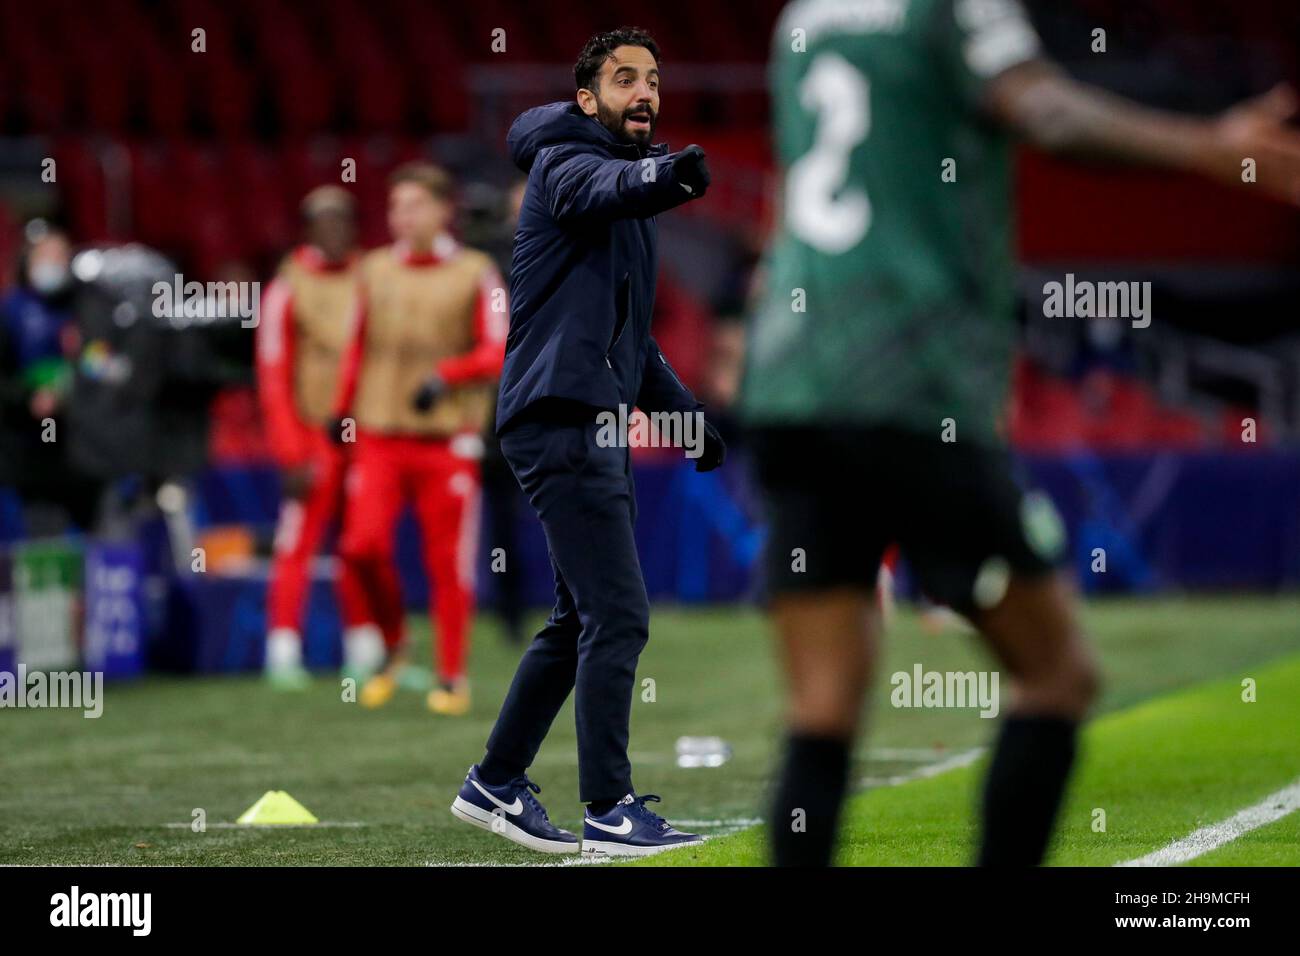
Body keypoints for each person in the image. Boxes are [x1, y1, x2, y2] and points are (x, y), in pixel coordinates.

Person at [745, 0, 1300, 867]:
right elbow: (1046, 110)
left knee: (822, 703)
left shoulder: (804, 18)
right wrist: (1208, 145)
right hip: (909, 378)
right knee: (1056, 674)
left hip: (791, 381)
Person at [450, 27, 726, 858]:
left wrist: (686, 421)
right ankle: (608, 809)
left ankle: (494, 784)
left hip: (588, 414)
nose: (643, 92)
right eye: (624, 79)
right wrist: (664, 175)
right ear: (587, 99)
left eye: (652, 79)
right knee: (618, 615)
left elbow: (632, 343)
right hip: (559, 416)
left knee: (580, 619)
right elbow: (608, 185)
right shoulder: (566, 164)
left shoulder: (625, 204)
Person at [331, 162, 506, 716]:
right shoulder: (373, 270)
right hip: (380, 434)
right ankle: (396, 643)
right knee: (360, 547)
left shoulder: (477, 272)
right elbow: (356, 343)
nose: (400, 218)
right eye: (394, 207)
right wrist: (341, 408)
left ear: (442, 211)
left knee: (447, 562)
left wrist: (446, 376)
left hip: (446, 437)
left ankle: (451, 676)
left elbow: (499, 347)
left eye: (412, 206)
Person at [256, 187, 376, 689]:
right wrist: (290, 451)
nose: (335, 231)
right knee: (297, 543)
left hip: (367, 432)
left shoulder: (371, 277)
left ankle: (366, 649)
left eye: (342, 220)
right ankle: (283, 649)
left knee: (363, 543)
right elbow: (273, 371)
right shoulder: (288, 286)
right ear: (307, 228)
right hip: (313, 434)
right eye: (324, 222)